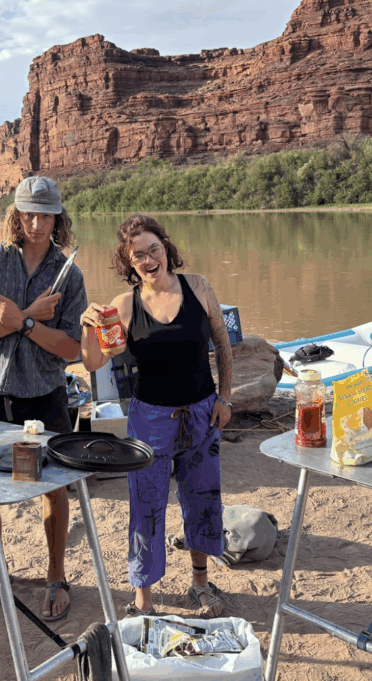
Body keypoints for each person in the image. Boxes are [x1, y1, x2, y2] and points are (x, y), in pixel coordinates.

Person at [80, 214, 233, 618]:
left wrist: (226, 398)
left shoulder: (198, 287)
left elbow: (222, 342)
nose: (148, 260)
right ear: (128, 264)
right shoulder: (123, 306)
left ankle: (200, 582)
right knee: (146, 505)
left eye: (154, 250)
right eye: (138, 256)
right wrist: (87, 329)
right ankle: (144, 598)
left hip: (202, 412)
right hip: (149, 419)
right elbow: (94, 361)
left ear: (166, 249)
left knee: (202, 499)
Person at [0, 175, 87, 621]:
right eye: (29, 212)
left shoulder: (69, 273)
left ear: (57, 217)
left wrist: (23, 323)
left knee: (54, 487)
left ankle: (55, 575)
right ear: (16, 214)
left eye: (45, 214)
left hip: (45, 394)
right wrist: (28, 315)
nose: (36, 222)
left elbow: (72, 350)